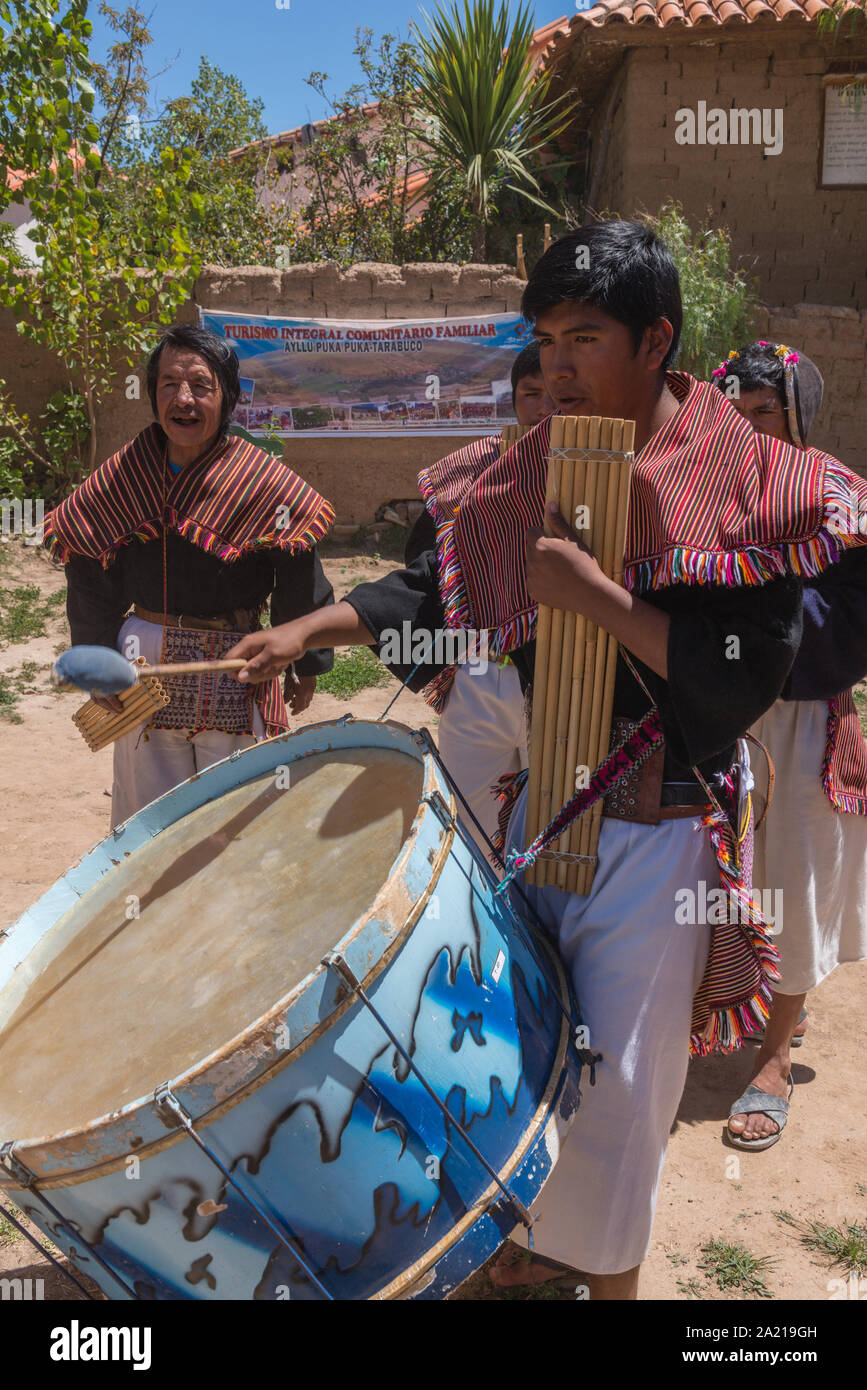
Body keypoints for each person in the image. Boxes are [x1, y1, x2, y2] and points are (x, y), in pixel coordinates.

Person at [225, 222, 867, 1299]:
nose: (558, 366)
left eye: (585, 338)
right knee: (504, 1061)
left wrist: (605, 602)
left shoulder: (750, 479)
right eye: (545, 340)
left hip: (660, 836)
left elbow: (749, 668)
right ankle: (513, 1253)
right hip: (540, 821)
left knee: (615, 1099)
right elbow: (439, 589)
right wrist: (307, 633)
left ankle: (603, 1283)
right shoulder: (533, 469)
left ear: (656, 339)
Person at [43, 324, 335, 827]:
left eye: (201, 385)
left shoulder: (263, 482)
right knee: (149, 821)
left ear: (228, 397)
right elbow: (87, 570)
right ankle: (150, 906)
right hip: (140, 663)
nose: (184, 399)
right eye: (169, 385)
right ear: (152, 395)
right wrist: (97, 660)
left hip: (240, 662)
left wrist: (305, 662)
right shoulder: (122, 478)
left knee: (238, 817)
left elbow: (298, 570)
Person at [712, 341, 867, 1149]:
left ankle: (773, 1057)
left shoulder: (842, 502)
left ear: (797, 415)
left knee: (793, 884)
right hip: (714, 719)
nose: (745, 428)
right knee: (718, 879)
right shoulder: (695, 498)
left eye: (763, 412)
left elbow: (849, 621)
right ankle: (740, 1003)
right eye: (729, 413)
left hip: (801, 720)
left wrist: (752, 617)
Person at [405, 341, 555, 851]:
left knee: (554, 835)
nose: (543, 407)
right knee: (471, 827)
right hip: (481, 674)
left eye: (555, 392)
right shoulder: (469, 476)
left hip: (569, 684)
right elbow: (426, 566)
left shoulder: (607, 473)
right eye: (530, 393)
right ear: (512, 400)